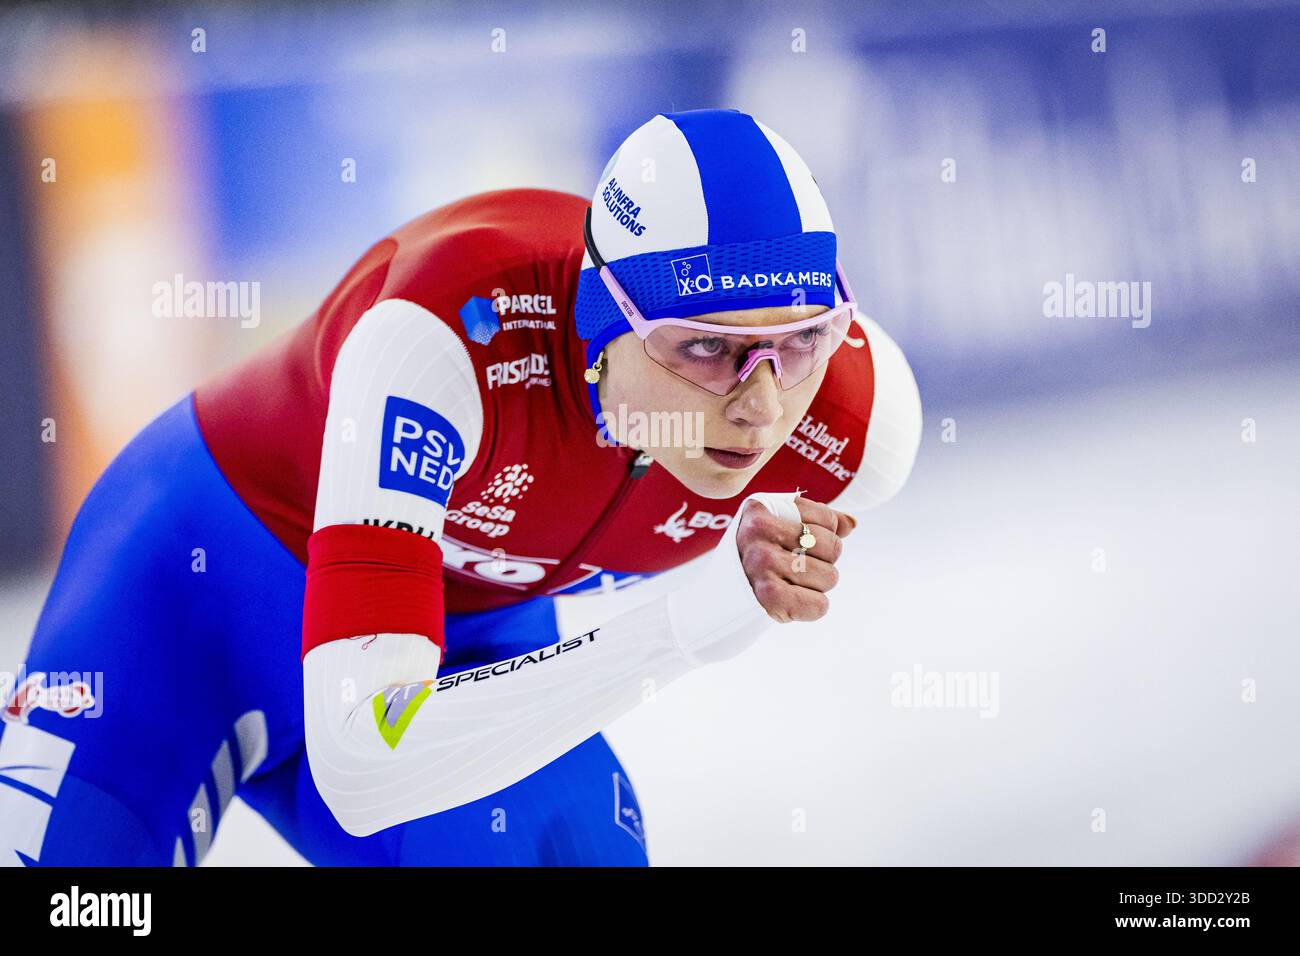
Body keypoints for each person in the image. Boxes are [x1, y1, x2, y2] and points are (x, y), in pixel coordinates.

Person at [0, 108, 921, 866]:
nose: (760, 407)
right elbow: (364, 762)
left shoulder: (856, 421)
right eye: (705, 349)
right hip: (185, 606)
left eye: (798, 341)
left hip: (450, 644)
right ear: (606, 318)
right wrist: (679, 630)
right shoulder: (447, 337)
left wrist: (762, 361)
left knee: (569, 846)